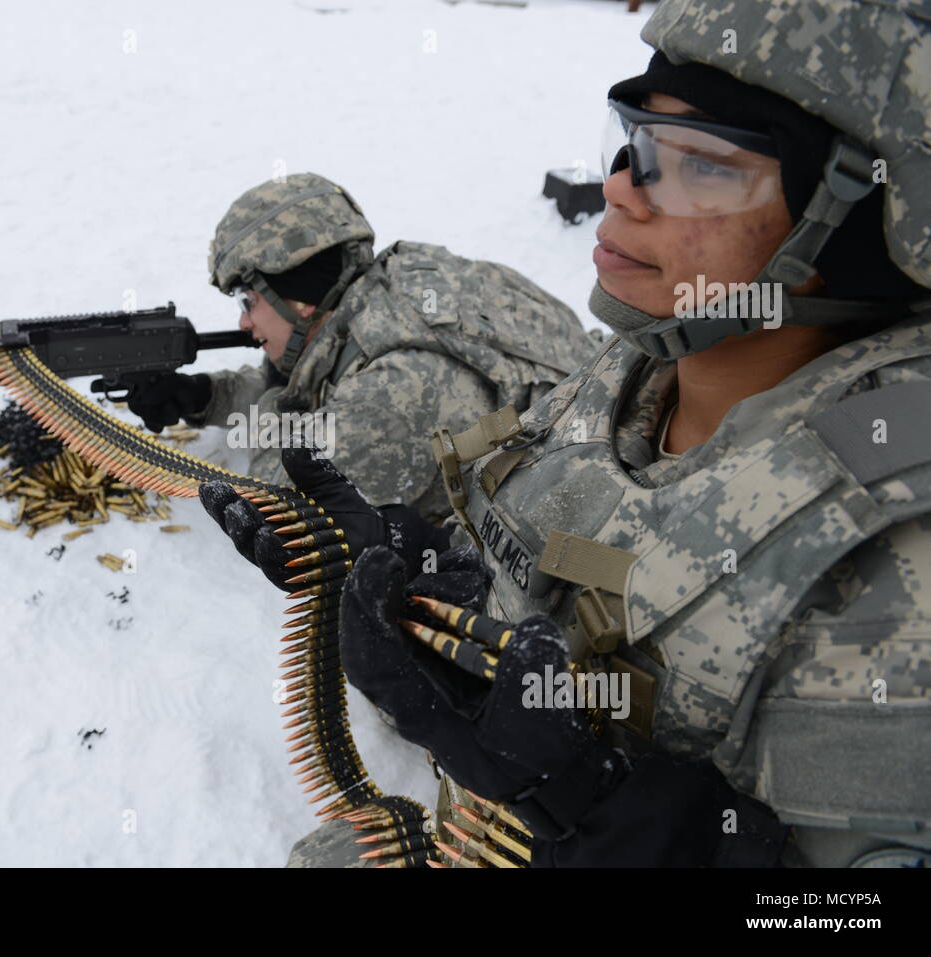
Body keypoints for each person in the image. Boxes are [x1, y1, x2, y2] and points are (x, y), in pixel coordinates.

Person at [204, 0, 931, 867]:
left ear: (852, 220)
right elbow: (575, 568)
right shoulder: (632, 375)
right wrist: (419, 567)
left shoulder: (894, 557)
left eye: (699, 165)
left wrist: (610, 812)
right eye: (631, 142)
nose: (622, 186)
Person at [126, 173, 597, 522]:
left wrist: (270, 395)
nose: (244, 322)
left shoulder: (397, 392)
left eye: (249, 301)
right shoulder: (394, 284)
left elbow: (280, 499)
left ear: (301, 303)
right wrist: (211, 397)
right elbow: (324, 388)